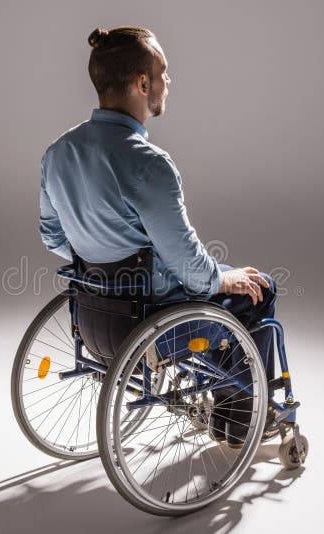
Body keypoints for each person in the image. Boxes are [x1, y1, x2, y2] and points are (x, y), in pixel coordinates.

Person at [38, 26, 278, 447]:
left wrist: (101, 258)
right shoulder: (149, 164)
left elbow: (53, 236)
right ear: (142, 82)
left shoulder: (59, 152)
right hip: (148, 317)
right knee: (258, 289)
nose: (169, 81)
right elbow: (186, 261)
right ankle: (241, 422)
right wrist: (222, 279)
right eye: (163, 72)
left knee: (201, 276)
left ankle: (227, 397)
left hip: (95, 315)